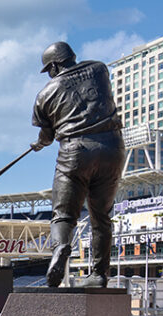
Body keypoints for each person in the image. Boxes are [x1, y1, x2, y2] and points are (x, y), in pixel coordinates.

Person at [31, 41, 125, 288]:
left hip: (76, 150)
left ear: (54, 65)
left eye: (49, 68)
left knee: (63, 215)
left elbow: (47, 137)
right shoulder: (99, 68)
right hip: (112, 147)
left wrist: (38, 144)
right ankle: (99, 274)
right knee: (101, 217)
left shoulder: (44, 95)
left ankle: (62, 246)